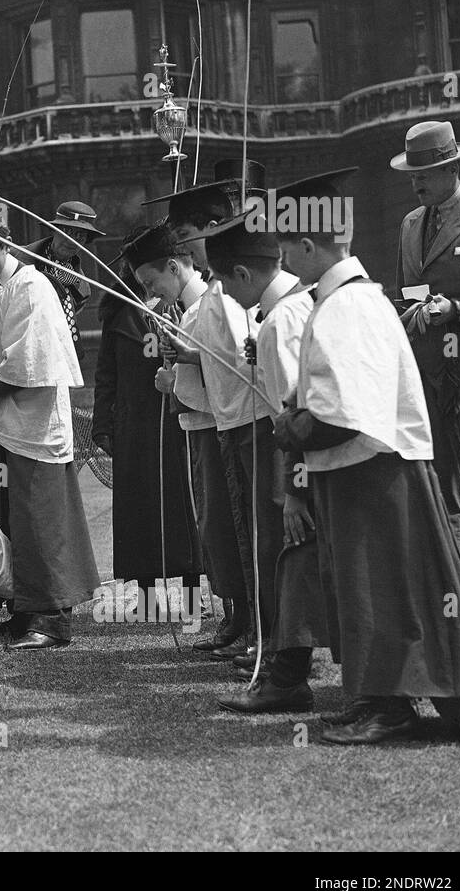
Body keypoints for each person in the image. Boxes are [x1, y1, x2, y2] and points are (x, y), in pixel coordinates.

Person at [273, 169, 460, 743]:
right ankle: (374, 694)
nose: (282, 259)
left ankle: (392, 707)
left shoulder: (348, 306)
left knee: (381, 590)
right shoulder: (347, 298)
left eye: (285, 247)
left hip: (377, 474)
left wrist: (291, 428)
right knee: (363, 589)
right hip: (364, 470)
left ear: (308, 245)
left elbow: (342, 416)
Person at [0, 193, 101, 648]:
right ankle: (22, 608)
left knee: (41, 515)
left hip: (34, 415)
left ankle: (51, 617)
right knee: (9, 514)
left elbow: (30, 360)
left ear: (5, 242)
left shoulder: (34, 288)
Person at [190, 201, 326, 713]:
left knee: (281, 558)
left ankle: (286, 670)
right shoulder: (289, 309)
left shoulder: (281, 320)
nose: (224, 294)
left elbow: (296, 415)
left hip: (286, 455)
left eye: (225, 283)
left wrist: (292, 490)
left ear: (244, 273)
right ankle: (282, 663)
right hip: (291, 452)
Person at [392, 121, 460, 622]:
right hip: (428, 376)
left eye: (428, 173)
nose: (418, 183)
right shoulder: (411, 225)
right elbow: (408, 293)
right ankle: (453, 596)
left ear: (453, 168)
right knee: (437, 489)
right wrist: (411, 313)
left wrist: (456, 310)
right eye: (414, 174)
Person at [141, 178, 254, 651]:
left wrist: (180, 375)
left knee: (233, 525)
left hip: (228, 423)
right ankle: (237, 616)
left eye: (188, 240)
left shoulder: (223, 298)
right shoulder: (199, 301)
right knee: (215, 526)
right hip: (208, 423)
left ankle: (250, 621)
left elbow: (237, 365)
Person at [106, 225, 203, 619]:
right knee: (141, 513)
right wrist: (104, 425)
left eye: (150, 279)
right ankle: (147, 602)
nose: (147, 286)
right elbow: (106, 374)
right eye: (139, 279)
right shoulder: (120, 311)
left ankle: (194, 601)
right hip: (135, 425)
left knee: (183, 510)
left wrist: (173, 380)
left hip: (175, 420)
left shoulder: (185, 308)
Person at [28, 201, 107, 356]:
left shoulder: (81, 287)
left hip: (59, 358)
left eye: (80, 236)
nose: (72, 241)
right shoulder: (20, 262)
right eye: (67, 232)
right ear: (54, 231)